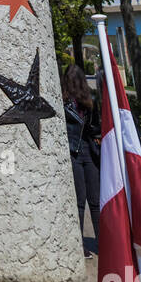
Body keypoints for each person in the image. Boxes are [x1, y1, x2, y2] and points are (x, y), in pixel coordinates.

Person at [62, 63, 100, 257]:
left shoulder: (90, 101)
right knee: (79, 201)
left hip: (89, 152)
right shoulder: (63, 103)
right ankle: (80, 245)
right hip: (73, 152)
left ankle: (103, 244)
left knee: (95, 200)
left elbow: (94, 129)